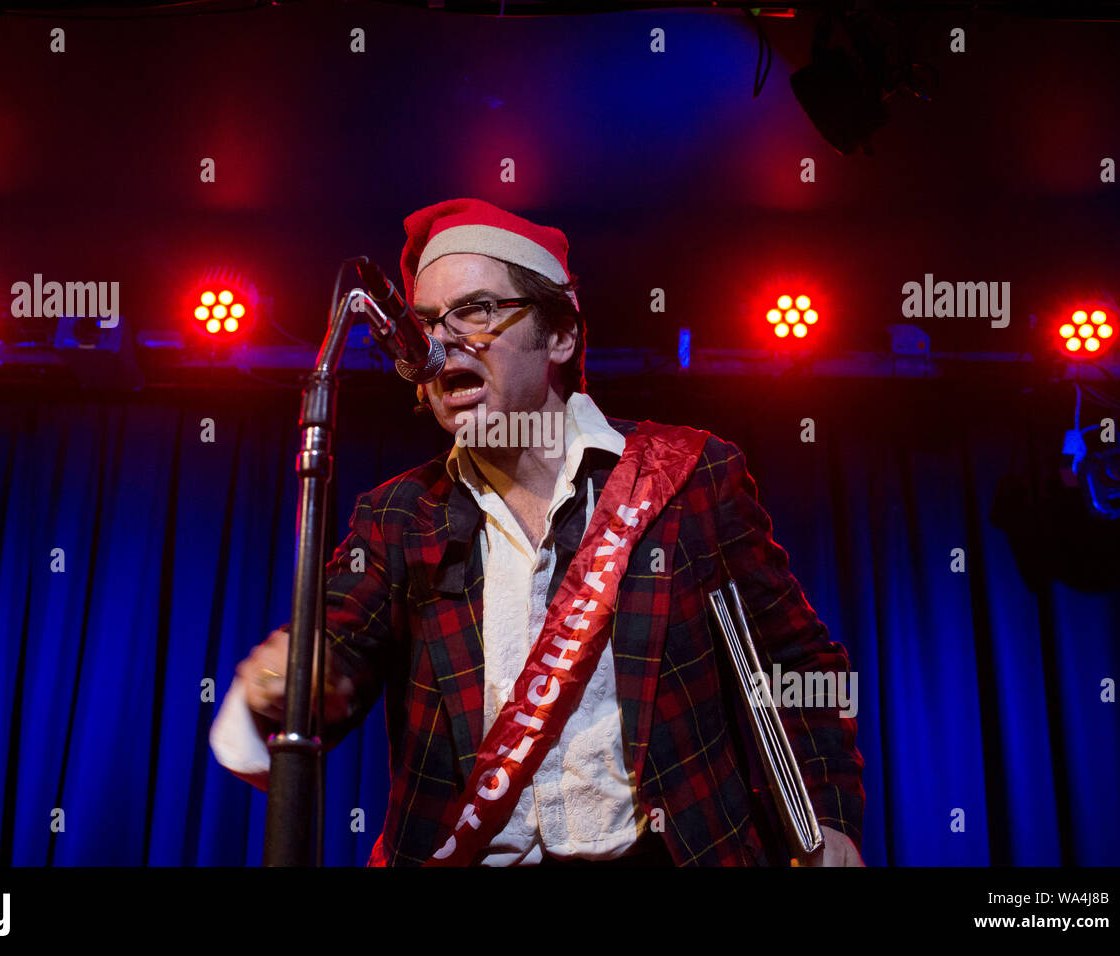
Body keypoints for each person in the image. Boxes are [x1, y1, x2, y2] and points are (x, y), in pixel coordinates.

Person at [210, 197, 865, 866]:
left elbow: (799, 666)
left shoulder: (690, 477)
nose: (441, 342)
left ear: (561, 335)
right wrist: (287, 682)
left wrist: (830, 822)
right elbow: (332, 653)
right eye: (427, 323)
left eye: (477, 310)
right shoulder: (398, 516)